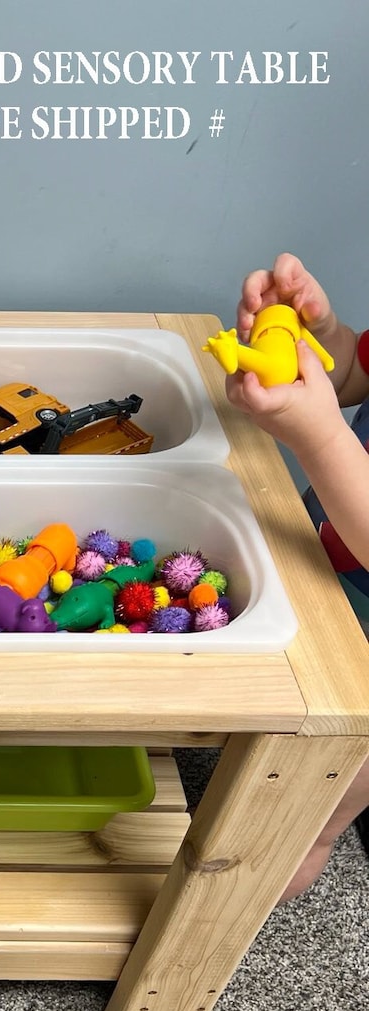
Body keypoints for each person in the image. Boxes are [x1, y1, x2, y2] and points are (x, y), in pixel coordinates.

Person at [224, 252, 369, 901]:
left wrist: (320, 439)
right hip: (320, 563)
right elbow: (351, 379)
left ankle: (291, 857)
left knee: (314, 797)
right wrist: (320, 335)